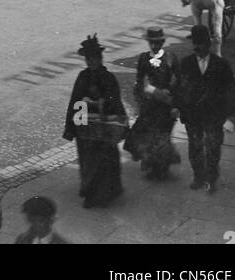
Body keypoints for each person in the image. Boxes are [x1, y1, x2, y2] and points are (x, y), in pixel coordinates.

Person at [62, 34, 127, 209]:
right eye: (88, 59)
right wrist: (70, 126)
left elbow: (115, 101)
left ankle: (106, 193)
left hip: (104, 127)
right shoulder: (82, 76)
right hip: (86, 128)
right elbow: (74, 101)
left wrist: (102, 104)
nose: (91, 62)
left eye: (94, 59)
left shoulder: (108, 78)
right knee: (88, 162)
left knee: (105, 161)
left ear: (100, 58)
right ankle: (90, 194)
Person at [174, 24, 235, 193]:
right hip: (193, 114)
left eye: (201, 43)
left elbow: (230, 91)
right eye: (195, 43)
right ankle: (198, 175)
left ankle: (211, 178)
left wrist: (232, 115)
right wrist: (178, 107)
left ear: (208, 44)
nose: (198, 47)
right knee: (195, 146)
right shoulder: (186, 63)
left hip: (214, 115)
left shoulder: (221, 64)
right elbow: (179, 88)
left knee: (213, 146)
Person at [123, 26, 181, 181]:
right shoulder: (143, 58)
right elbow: (139, 82)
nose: (154, 46)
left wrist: (175, 104)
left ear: (162, 42)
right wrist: (141, 99)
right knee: (149, 136)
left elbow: (178, 82)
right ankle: (153, 166)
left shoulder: (170, 58)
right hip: (150, 106)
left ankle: (162, 168)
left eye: (157, 42)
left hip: (165, 106)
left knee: (163, 136)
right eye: (152, 43)